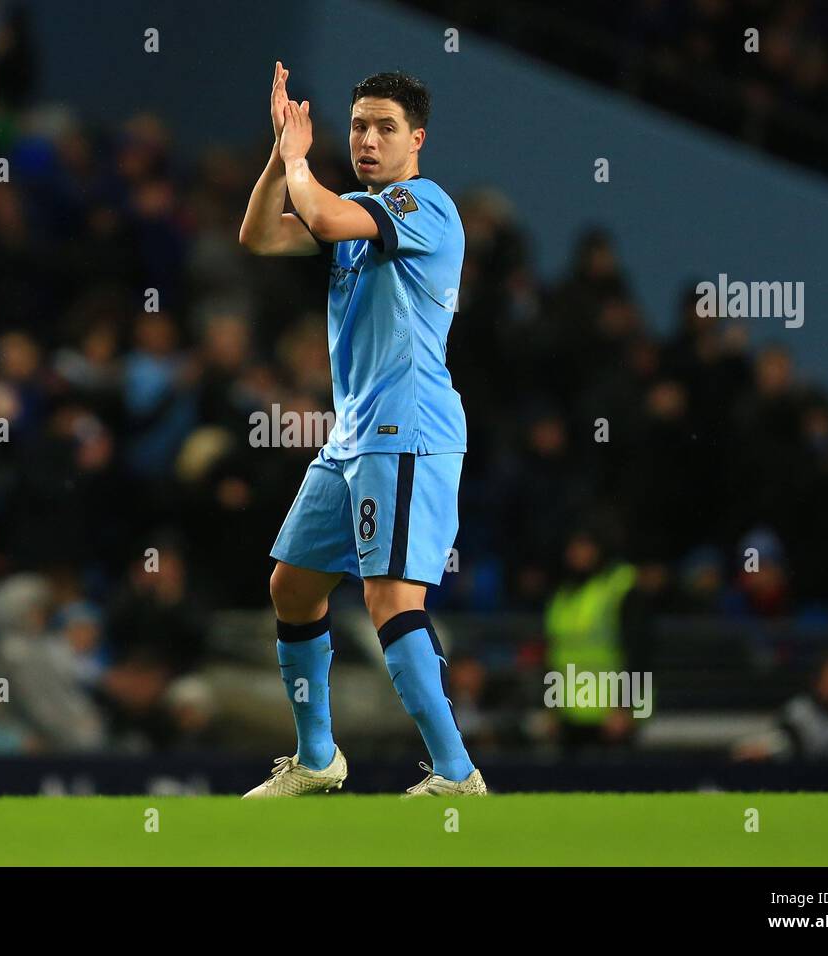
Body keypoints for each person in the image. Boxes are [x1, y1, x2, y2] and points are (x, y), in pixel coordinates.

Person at [238, 63, 483, 797]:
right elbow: (258, 235)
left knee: (391, 602)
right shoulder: (348, 205)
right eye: (358, 126)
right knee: (293, 587)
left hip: (408, 432)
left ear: (417, 140)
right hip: (353, 436)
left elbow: (322, 218)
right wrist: (280, 152)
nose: (367, 139)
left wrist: (298, 163)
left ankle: (457, 774)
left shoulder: (424, 205)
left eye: (384, 127)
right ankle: (317, 760)